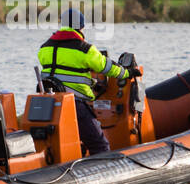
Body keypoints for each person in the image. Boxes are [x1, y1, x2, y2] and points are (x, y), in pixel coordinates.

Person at [37, 8, 128, 154]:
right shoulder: (85, 49)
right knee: (100, 146)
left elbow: (62, 71)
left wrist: (91, 83)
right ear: (81, 27)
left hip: (49, 104)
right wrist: (126, 72)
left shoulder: (44, 48)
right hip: (74, 105)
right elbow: (106, 67)